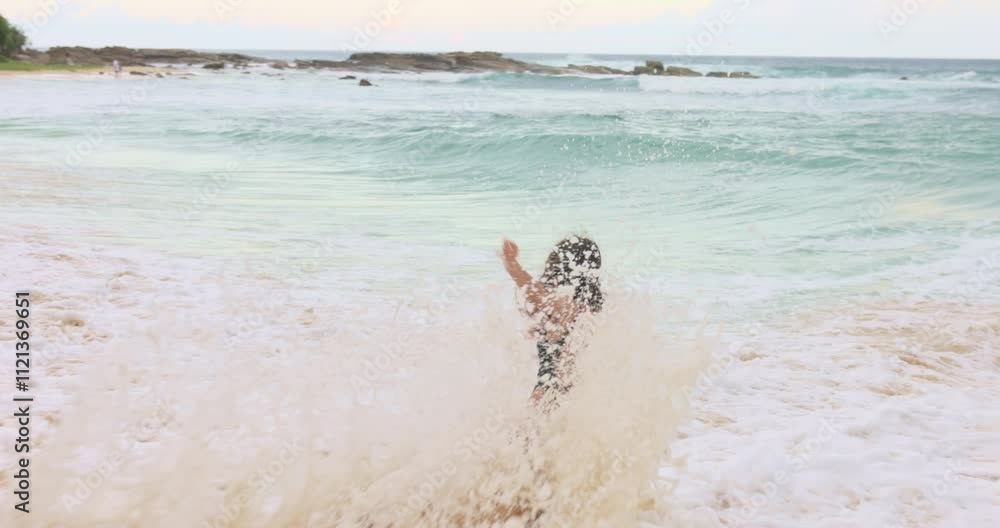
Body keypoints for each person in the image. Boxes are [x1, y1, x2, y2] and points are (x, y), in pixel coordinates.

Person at [500, 236, 604, 411]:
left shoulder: (563, 306)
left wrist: (510, 261)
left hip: (548, 395)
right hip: (577, 396)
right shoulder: (591, 310)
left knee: (526, 435)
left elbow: (530, 288)